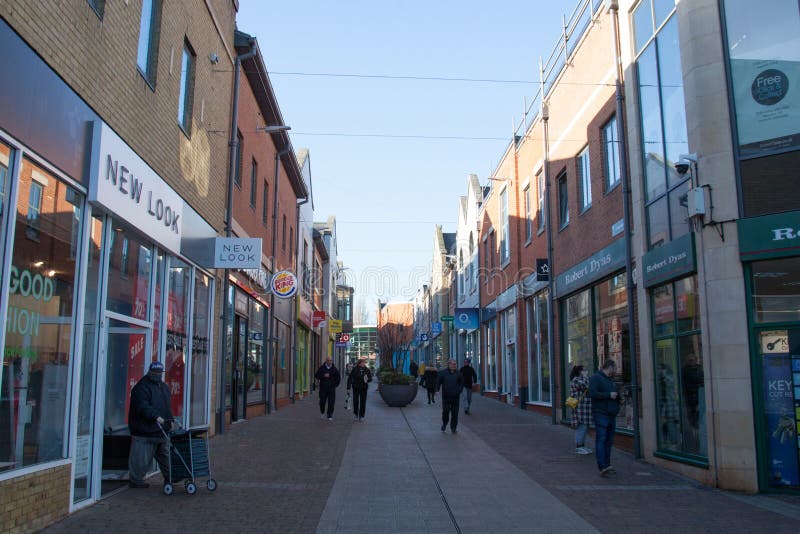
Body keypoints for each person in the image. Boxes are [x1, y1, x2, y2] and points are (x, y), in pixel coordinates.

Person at [127, 361, 174, 488]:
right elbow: (143, 407)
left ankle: (170, 477)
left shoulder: (163, 387)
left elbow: (166, 406)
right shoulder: (141, 388)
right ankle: (136, 480)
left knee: (165, 456)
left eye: (159, 373)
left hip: (160, 429)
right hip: (145, 430)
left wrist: (170, 420)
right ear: (150, 372)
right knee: (141, 458)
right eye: (155, 373)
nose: (157, 375)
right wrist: (156, 417)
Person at [589, 359, 620, 477]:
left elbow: (613, 393)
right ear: (609, 367)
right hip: (601, 413)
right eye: (615, 368)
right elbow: (592, 393)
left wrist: (618, 397)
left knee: (609, 440)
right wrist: (608, 395)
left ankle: (607, 465)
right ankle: (602, 466)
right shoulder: (596, 378)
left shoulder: (610, 380)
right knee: (601, 439)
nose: (616, 370)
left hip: (611, 413)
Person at [569, 365, 592, 455]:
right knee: (581, 427)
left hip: (584, 408)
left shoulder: (581, 379)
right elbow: (585, 385)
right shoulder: (576, 380)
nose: (586, 371)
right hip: (579, 408)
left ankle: (582, 445)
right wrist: (586, 377)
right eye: (584, 370)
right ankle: (579, 447)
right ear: (580, 371)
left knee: (584, 427)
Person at [438, 359, 465, 433]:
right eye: (452, 364)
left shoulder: (459, 374)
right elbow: (438, 381)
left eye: (455, 364)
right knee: (445, 411)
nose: (453, 365)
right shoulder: (443, 373)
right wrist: (436, 390)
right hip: (446, 397)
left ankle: (453, 428)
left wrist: (459, 391)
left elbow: (462, 383)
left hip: (456, 397)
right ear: (448, 364)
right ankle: (444, 423)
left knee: (455, 413)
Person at [315, 356, 341, 421]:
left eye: (331, 360)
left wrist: (335, 385)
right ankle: (322, 412)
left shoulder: (334, 369)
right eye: (328, 360)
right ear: (326, 361)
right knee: (322, 401)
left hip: (331, 388)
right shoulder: (322, 368)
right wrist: (323, 375)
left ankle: (330, 415)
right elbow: (317, 375)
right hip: (323, 388)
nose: (330, 362)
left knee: (331, 402)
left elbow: (338, 378)